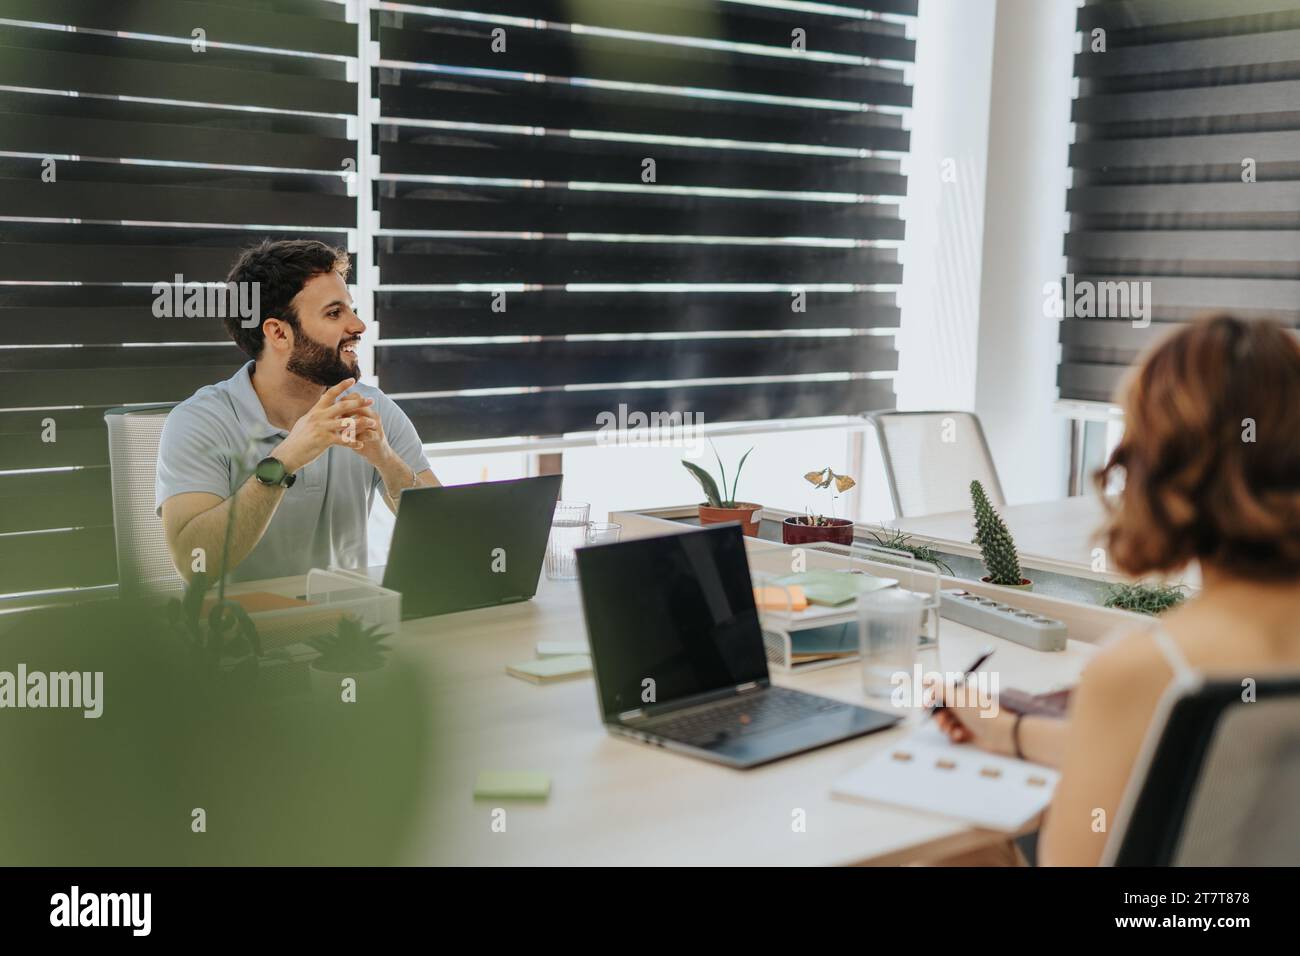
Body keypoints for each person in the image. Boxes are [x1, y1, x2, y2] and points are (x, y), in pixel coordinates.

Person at [934, 314, 1300, 866]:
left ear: (1155, 466)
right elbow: (1173, 761)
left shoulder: (1149, 669)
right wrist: (1009, 732)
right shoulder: (1186, 687)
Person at [156, 239, 439, 583]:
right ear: (278, 332)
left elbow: (445, 536)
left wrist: (387, 460)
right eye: (335, 313)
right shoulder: (200, 421)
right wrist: (284, 461)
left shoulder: (370, 407)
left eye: (351, 309)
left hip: (350, 628)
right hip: (241, 631)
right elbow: (194, 564)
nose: (359, 326)